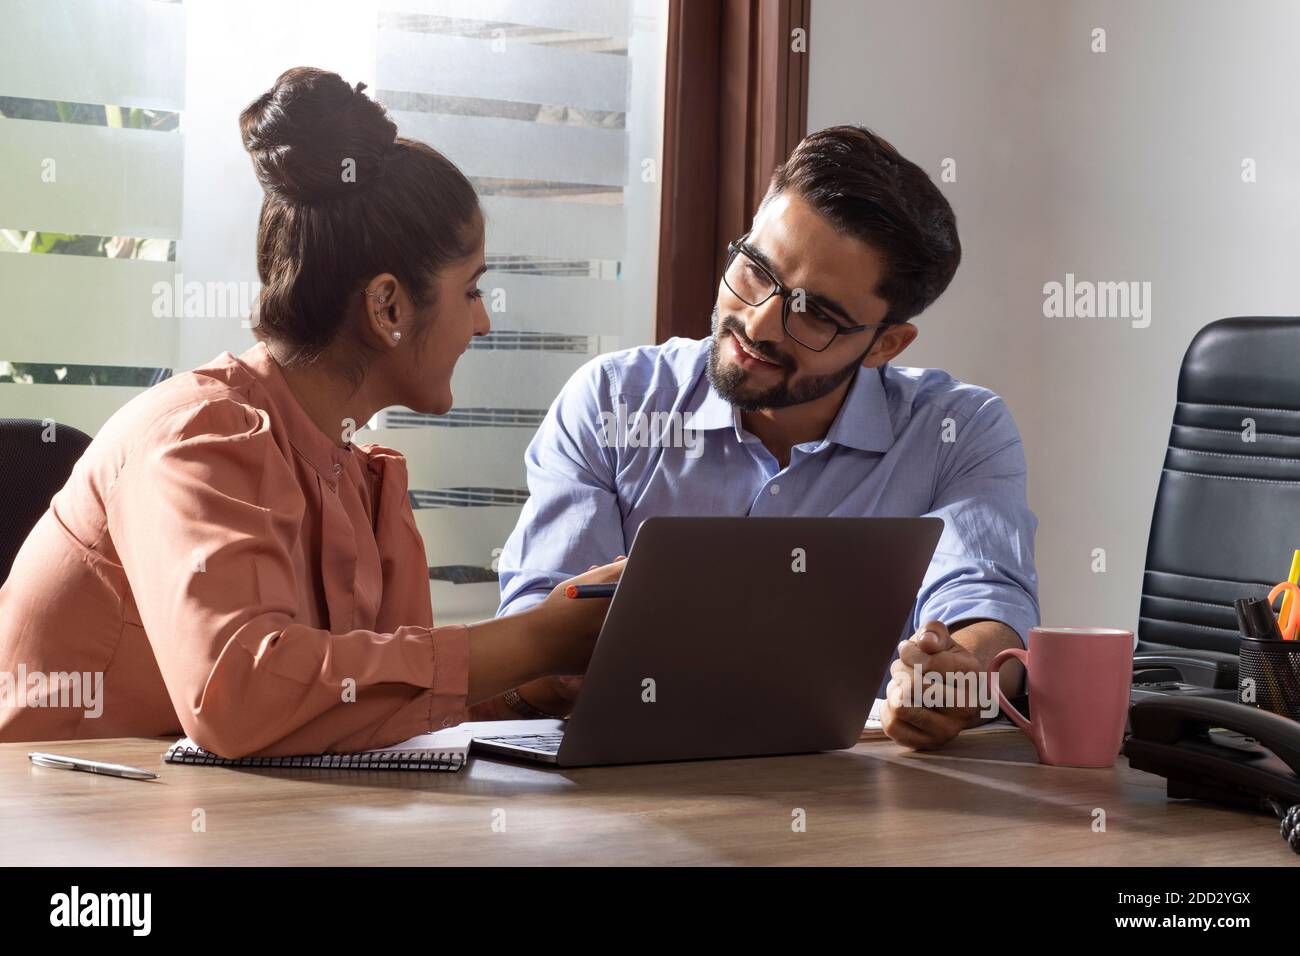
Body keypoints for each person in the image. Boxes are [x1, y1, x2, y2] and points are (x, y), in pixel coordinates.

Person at [0, 67, 622, 757]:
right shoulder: (189, 442)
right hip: (46, 829)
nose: (482, 324)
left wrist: (542, 675)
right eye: (472, 290)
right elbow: (242, 694)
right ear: (388, 307)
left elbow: (354, 706)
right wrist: (536, 635)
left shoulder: (357, 476)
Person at [496, 126, 1039, 749]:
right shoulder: (612, 402)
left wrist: (959, 674)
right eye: (756, 271)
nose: (758, 323)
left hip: (860, 803)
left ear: (885, 345)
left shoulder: (958, 431)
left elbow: (988, 603)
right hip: (623, 794)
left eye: (816, 313)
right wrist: (553, 661)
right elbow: (536, 641)